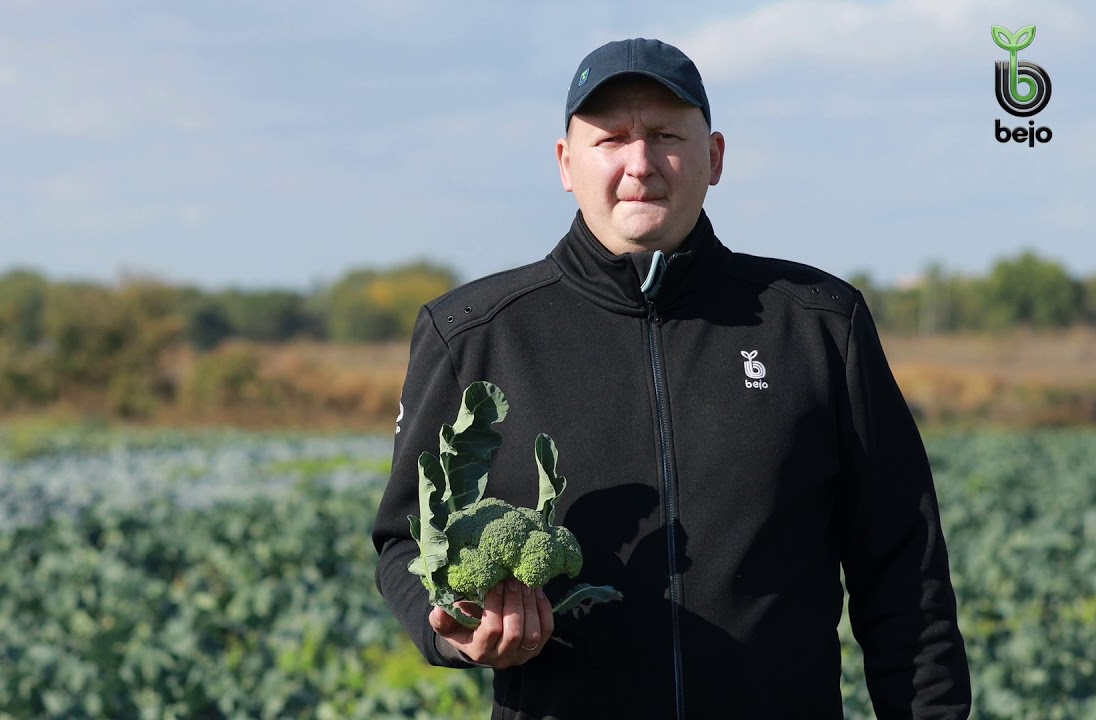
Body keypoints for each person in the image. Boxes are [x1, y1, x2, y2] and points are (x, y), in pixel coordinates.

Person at [372, 37, 971, 719]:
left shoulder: (818, 323)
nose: (640, 163)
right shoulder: (474, 333)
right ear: (566, 164)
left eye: (664, 135)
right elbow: (404, 541)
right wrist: (454, 630)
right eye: (612, 139)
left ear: (713, 158)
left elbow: (903, 566)